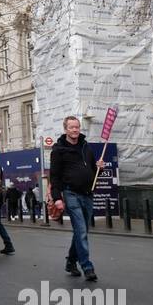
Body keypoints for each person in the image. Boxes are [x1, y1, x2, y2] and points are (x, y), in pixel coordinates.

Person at [49, 116, 104, 282]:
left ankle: (71, 261)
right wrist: (57, 197)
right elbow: (55, 176)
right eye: (72, 127)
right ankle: (87, 267)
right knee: (81, 230)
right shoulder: (58, 150)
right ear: (65, 129)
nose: (75, 130)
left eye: (77, 127)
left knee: (82, 231)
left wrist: (99, 168)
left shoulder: (85, 147)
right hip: (70, 193)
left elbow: (93, 172)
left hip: (87, 194)